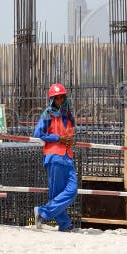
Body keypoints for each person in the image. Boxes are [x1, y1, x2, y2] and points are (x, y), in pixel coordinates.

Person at [32, 83, 78, 232]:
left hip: (67, 156)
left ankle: (43, 212)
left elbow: (69, 134)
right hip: (54, 157)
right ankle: (64, 224)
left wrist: (71, 139)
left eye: (62, 97)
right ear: (52, 99)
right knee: (57, 194)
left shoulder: (68, 116)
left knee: (72, 190)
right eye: (56, 98)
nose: (59, 100)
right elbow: (38, 134)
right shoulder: (48, 114)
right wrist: (58, 138)